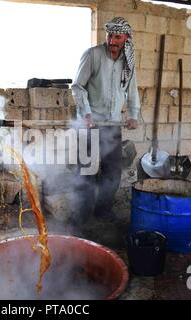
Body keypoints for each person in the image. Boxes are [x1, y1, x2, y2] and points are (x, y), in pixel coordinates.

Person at [71, 16, 141, 224]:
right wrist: (86, 113)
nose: (111, 41)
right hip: (90, 124)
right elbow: (77, 86)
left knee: (112, 172)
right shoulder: (92, 55)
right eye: (109, 35)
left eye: (117, 37)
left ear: (126, 38)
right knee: (87, 171)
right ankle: (82, 216)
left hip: (112, 125)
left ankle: (103, 210)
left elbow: (131, 89)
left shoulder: (128, 61)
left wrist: (133, 114)